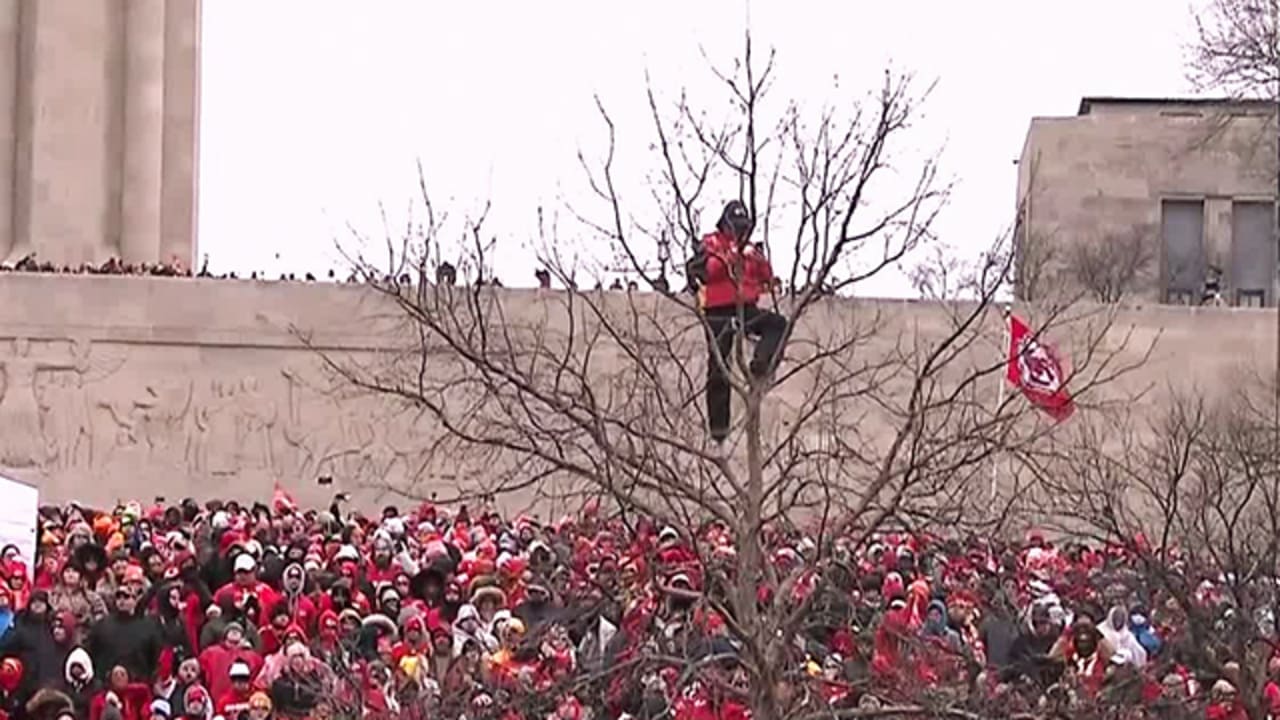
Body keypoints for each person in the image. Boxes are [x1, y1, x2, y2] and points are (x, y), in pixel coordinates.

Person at [685, 200, 786, 443]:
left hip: (744, 308)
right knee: (719, 366)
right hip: (718, 310)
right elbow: (703, 271)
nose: (740, 231)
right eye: (736, 226)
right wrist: (732, 256)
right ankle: (719, 430)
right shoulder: (710, 243)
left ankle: (761, 364)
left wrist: (757, 259)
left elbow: (767, 276)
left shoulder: (752, 249)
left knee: (778, 324)